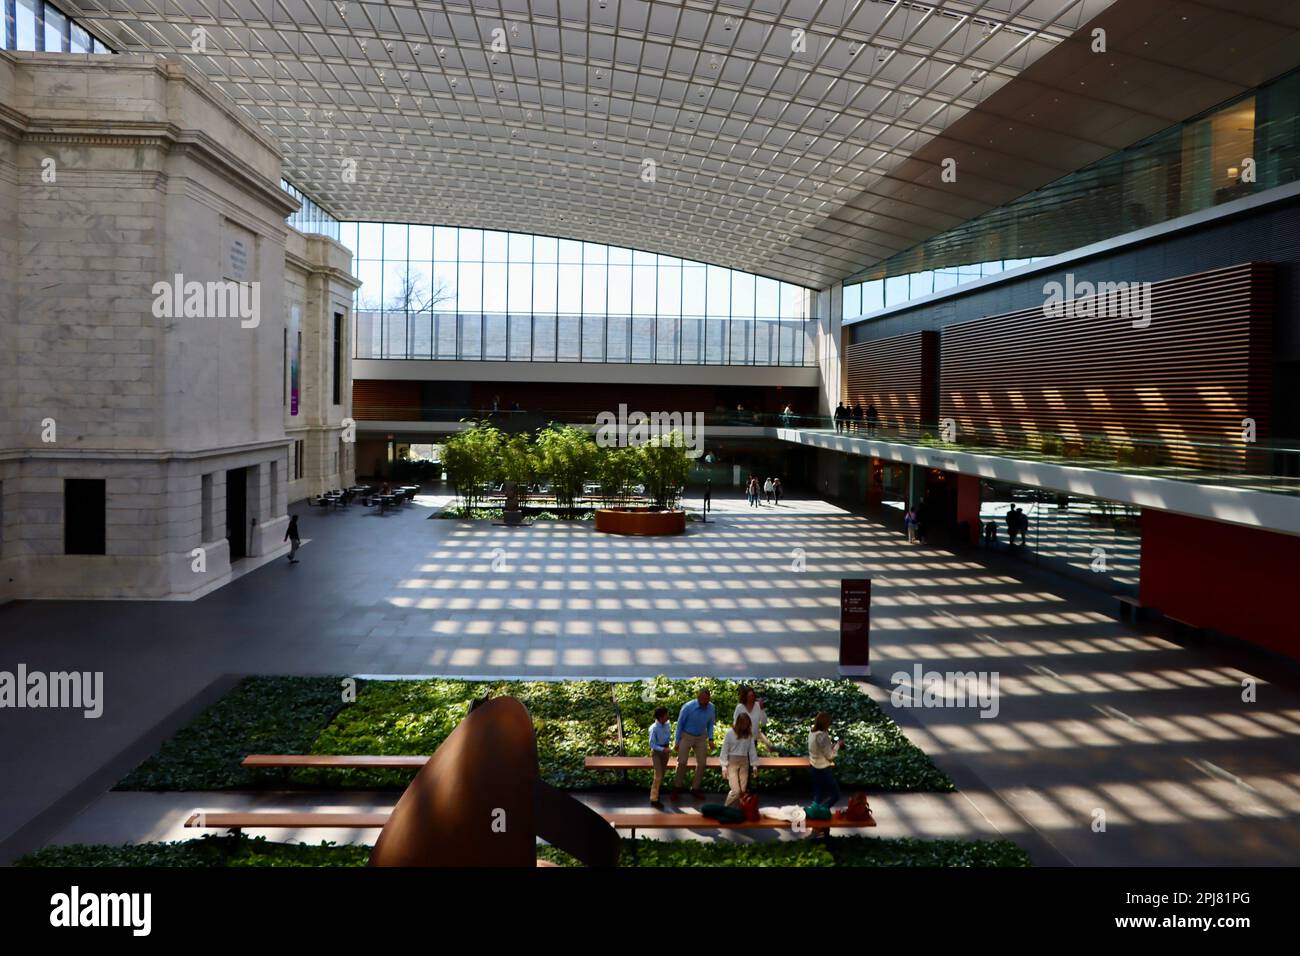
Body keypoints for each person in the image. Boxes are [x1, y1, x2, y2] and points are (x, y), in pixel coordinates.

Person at [673, 688, 716, 798]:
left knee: (702, 763)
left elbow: (710, 725)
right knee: (682, 762)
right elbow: (679, 725)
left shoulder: (711, 708)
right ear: (698, 698)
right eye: (703, 699)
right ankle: (677, 787)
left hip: (701, 737)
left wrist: (711, 739)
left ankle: (695, 788)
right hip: (686, 735)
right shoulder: (688, 707)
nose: (706, 702)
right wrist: (677, 741)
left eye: (707, 699)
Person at [719, 713, 759, 808]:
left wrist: (754, 766)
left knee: (743, 789)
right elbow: (724, 750)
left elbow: (752, 750)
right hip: (732, 762)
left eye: (747, 724)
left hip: (744, 762)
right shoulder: (730, 733)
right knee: (736, 791)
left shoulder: (749, 735)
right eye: (744, 724)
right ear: (739, 723)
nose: (746, 726)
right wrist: (724, 766)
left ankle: (739, 809)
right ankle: (725, 808)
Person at [808, 711, 843, 809]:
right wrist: (837, 746)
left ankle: (815, 812)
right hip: (823, 769)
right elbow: (830, 756)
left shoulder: (812, 732)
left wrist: (831, 746)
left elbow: (819, 748)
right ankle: (822, 810)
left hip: (813, 766)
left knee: (818, 796)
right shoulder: (823, 736)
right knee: (836, 795)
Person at [734, 685, 773, 752]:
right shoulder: (739, 707)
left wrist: (762, 709)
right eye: (749, 696)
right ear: (745, 697)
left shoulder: (758, 706)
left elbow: (764, 722)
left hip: (753, 740)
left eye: (752, 696)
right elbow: (735, 723)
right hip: (741, 739)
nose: (751, 698)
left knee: (752, 760)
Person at [648, 706, 672, 809]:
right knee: (658, 776)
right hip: (657, 753)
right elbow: (652, 744)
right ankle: (654, 798)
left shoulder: (667, 724)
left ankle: (657, 792)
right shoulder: (653, 728)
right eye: (666, 715)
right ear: (661, 717)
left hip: (665, 751)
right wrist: (663, 749)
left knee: (661, 774)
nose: (668, 716)